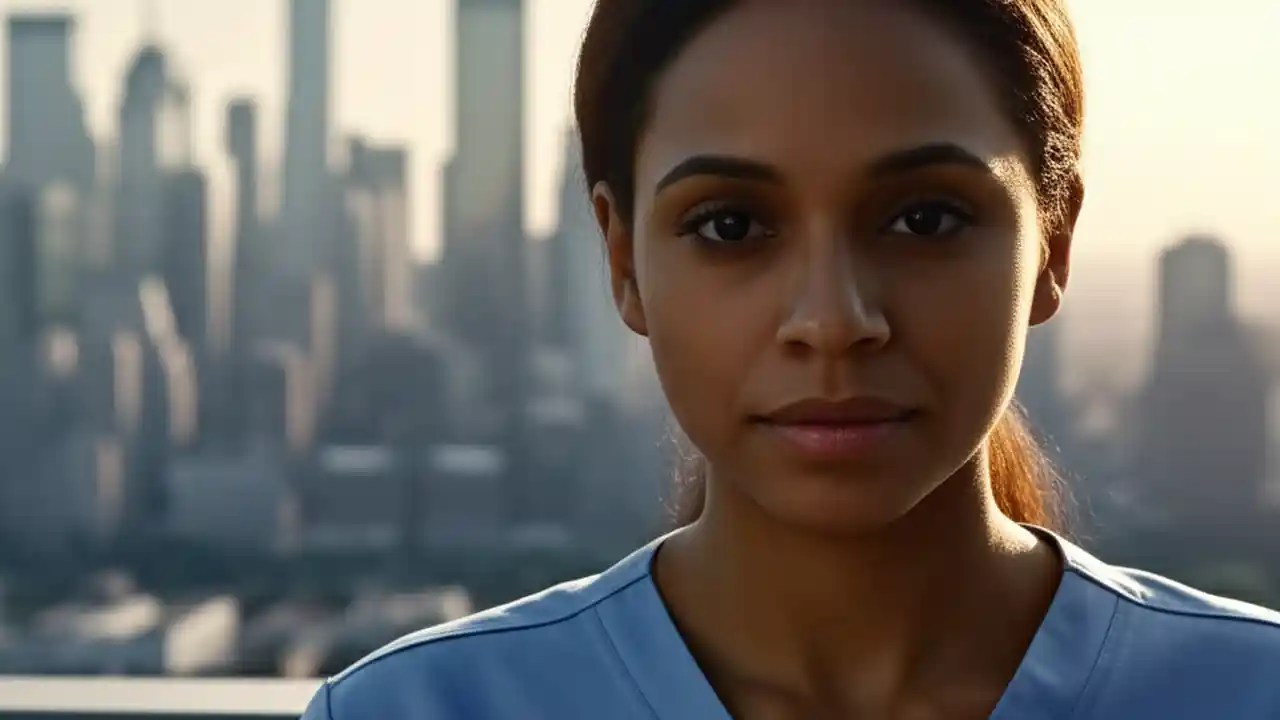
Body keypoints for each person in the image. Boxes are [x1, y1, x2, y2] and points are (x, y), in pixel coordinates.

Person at [303, 0, 1280, 717]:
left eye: (923, 218)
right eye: (730, 226)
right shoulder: (418, 712)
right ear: (621, 262)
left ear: (1051, 244)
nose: (832, 319)